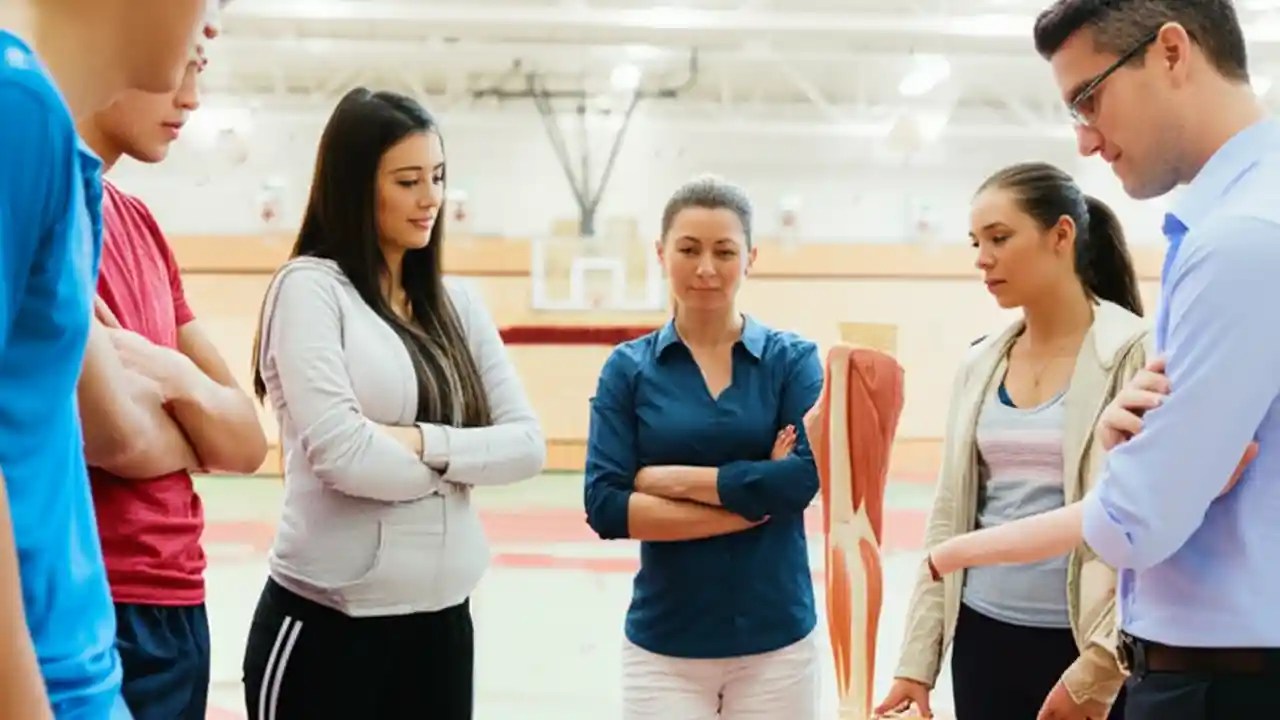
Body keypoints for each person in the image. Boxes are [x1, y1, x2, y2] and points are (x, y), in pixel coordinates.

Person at [916, 3, 1280, 718]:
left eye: (1089, 98)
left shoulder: (1241, 241)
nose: (1084, 141)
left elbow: (1136, 521)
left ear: (1171, 52)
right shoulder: (1237, 226)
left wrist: (1122, 466)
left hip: (1225, 684)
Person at [240, 87, 545, 720]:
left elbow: (525, 446)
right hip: (327, 630)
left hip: (441, 629)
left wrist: (421, 442)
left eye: (436, 177)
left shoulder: (459, 304)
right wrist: (463, 465)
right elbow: (346, 457)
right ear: (355, 187)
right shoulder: (310, 291)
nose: (431, 198)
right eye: (408, 181)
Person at [875, 162, 1149, 720]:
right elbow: (949, 516)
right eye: (976, 242)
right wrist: (916, 662)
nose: (982, 257)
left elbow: (1149, 528)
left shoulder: (1133, 352)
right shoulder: (980, 361)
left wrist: (1098, 668)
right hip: (984, 640)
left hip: (1085, 648)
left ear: (1061, 235)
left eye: (999, 238)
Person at [0, 0, 206, 716]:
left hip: (78, 661)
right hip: (46, 677)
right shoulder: (14, 109)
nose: (205, 24)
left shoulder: (46, 132)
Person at [76, 25, 268, 720]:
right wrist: (197, 429)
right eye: (176, 69)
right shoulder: (53, 210)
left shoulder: (142, 224)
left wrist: (168, 377)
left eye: (201, 69)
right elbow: (116, 441)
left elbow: (247, 442)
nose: (191, 98)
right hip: (99, 587)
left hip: (180, 593)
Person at [584, 175, 825, 720]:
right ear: (661, 253)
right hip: (665, 644)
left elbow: (803, 481)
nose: (706, 268)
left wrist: (667, 479)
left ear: (751, 257)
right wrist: (752, 500)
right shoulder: (628, 369)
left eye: (724, 251)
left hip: (777, 640)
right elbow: (606, 506)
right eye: (689, 249)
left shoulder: (793, 361)